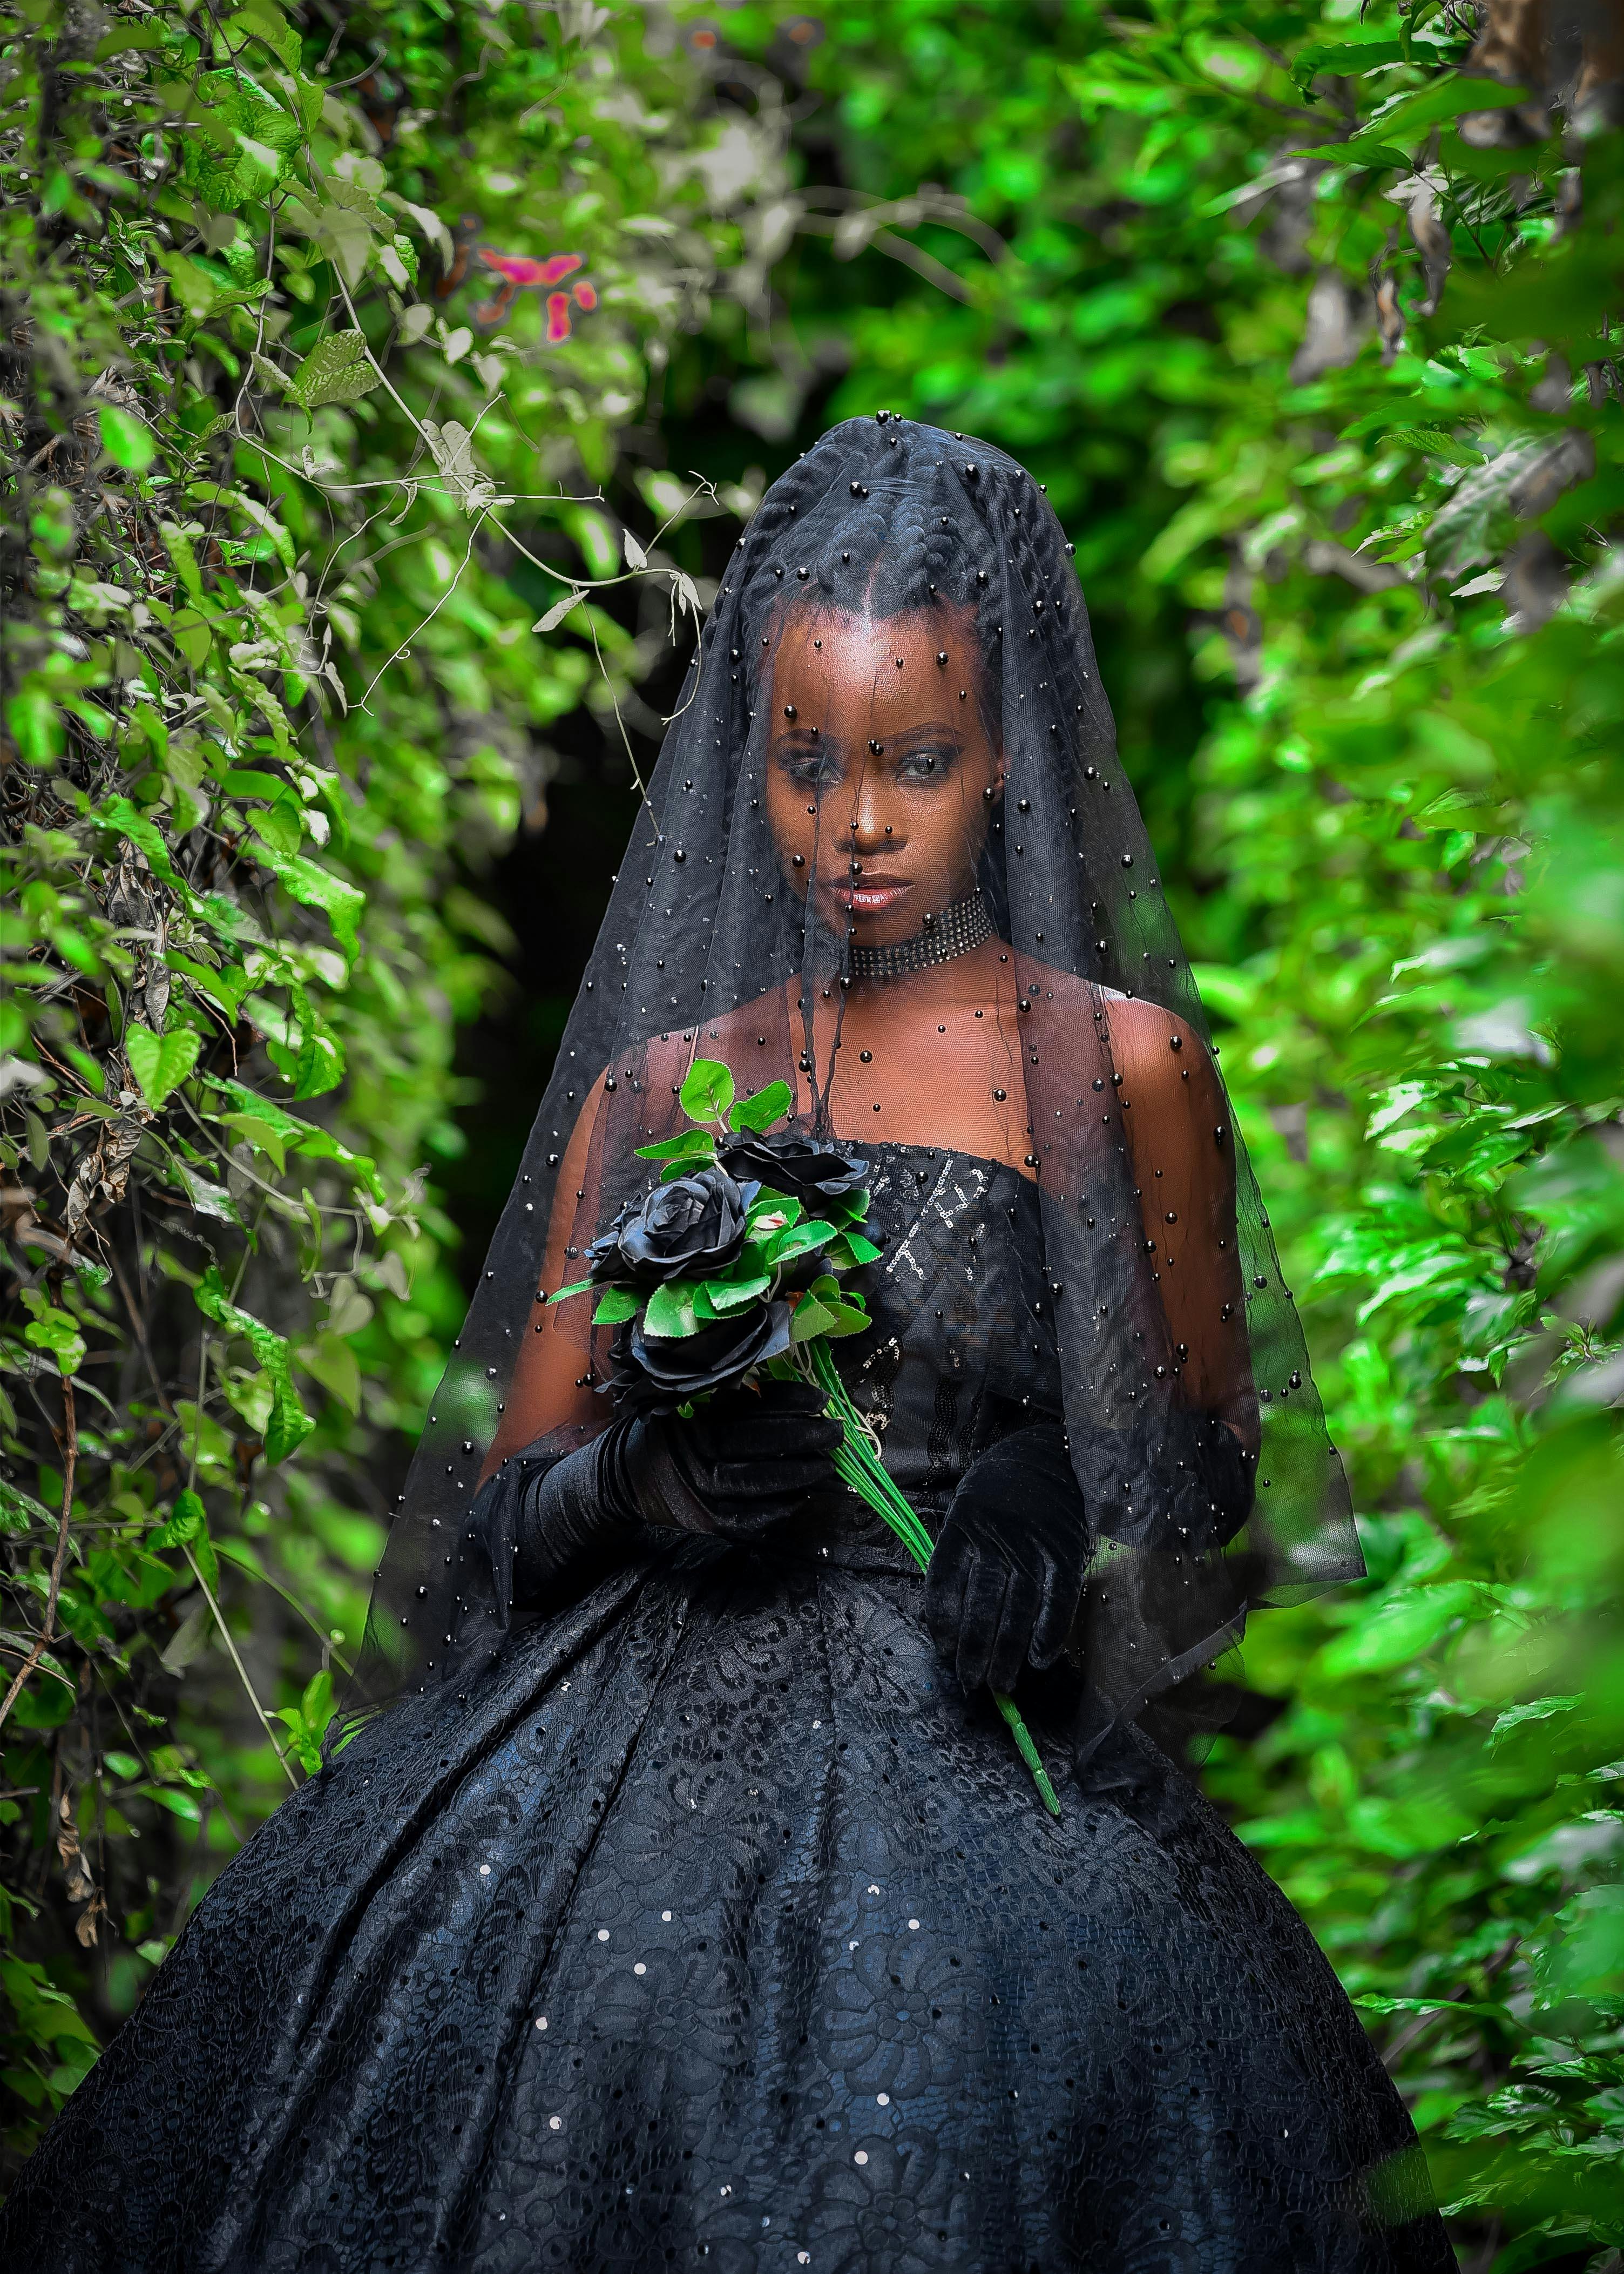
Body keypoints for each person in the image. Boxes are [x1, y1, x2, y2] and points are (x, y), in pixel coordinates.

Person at [0, 419, 1455, 2272]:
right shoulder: (662, 1086)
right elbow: (504, 1516)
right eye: (806, 763)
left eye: (916, 765)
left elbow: (1209, 1462)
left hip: (978, 1751)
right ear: (747, 761)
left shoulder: (1125, 1067)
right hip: (613, 1768)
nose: (856, 825)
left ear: (1000, 755)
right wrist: (639, 1474)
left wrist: (1052, 1476)